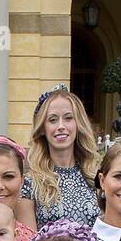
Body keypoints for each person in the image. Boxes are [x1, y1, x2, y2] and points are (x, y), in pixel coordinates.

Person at [23, 85, 101, 228]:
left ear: (78, 124)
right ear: (42, 129)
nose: (61, 126)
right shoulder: (30, 183)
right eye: (52, 120)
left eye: (68, 118)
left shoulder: (97, 177)